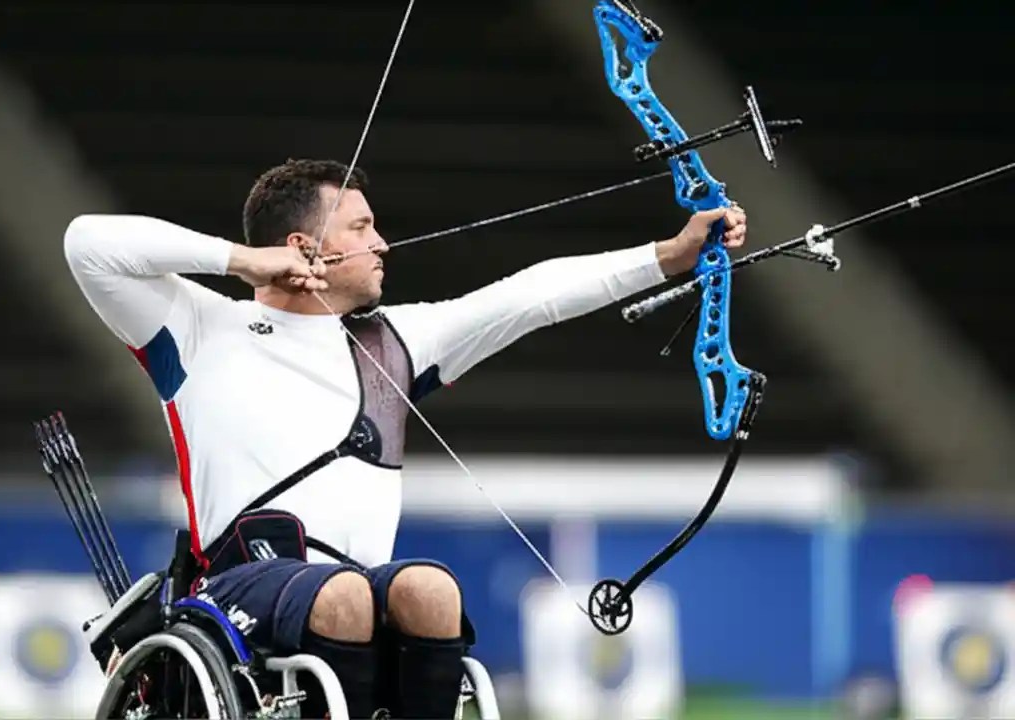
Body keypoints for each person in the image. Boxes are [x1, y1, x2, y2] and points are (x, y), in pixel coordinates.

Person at [64, 158, 747, 718]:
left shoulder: (393, 341)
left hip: (352, 589)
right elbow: (86, 243)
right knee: (346, 597)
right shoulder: (196, 326)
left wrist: (671, 255)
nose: (382, 244)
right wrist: (243, 261)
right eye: (363, 227)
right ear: (306, 247)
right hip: (240, 589)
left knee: (430, 590)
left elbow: (531, 297)